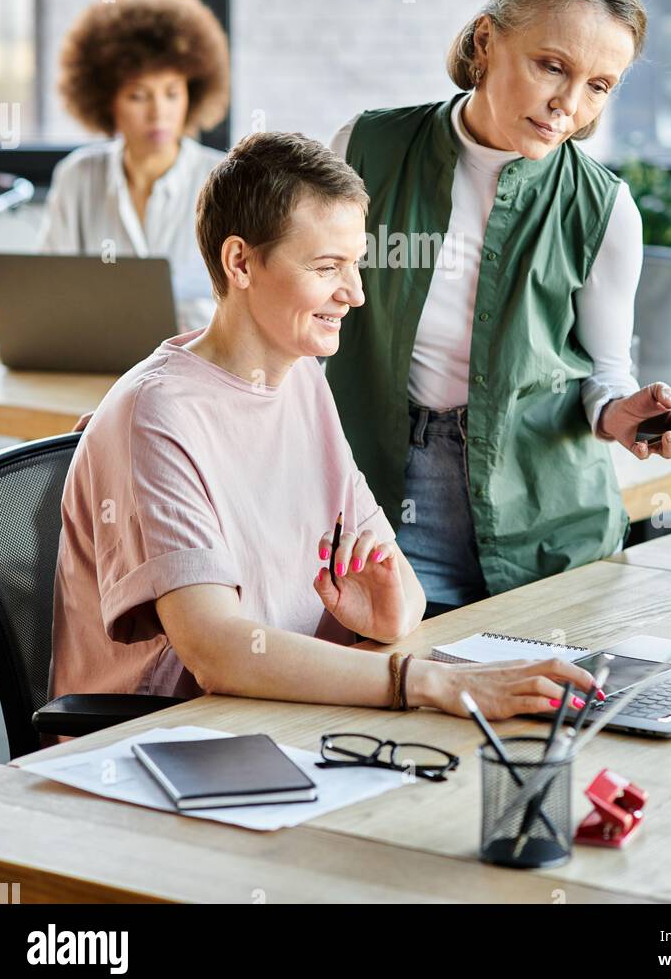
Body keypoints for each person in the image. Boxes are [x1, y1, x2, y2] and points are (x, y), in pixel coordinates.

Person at [47, 132, 597, 721]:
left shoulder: (303, 377)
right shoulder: (156, 414)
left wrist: (389, 614)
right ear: (240, 262)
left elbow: (401, 589)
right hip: (164, 741)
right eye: (327, 267)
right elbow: (216, 650)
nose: (355, 293)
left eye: (355, 264)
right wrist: (432, 683)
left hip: (289, 712)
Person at [325, 0, 671, 612]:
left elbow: (604, 374)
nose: (569, 103)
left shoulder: (605, 209)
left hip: (550, 523)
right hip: (384, 513)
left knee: (552, 713)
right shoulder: (363, 152)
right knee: (399, 704)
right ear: (486, 41)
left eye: (599, 85)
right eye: (551, 66)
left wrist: (622, 413)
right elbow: (303, 321)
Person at [38, 0, 229, 327]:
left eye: (172, 93)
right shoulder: (78, 177)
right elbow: (49, 293)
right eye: (138, 96)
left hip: (197, 369)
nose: (159, 113)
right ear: (106, 100)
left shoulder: (225, 179)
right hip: (93, 364)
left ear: (193, 94)